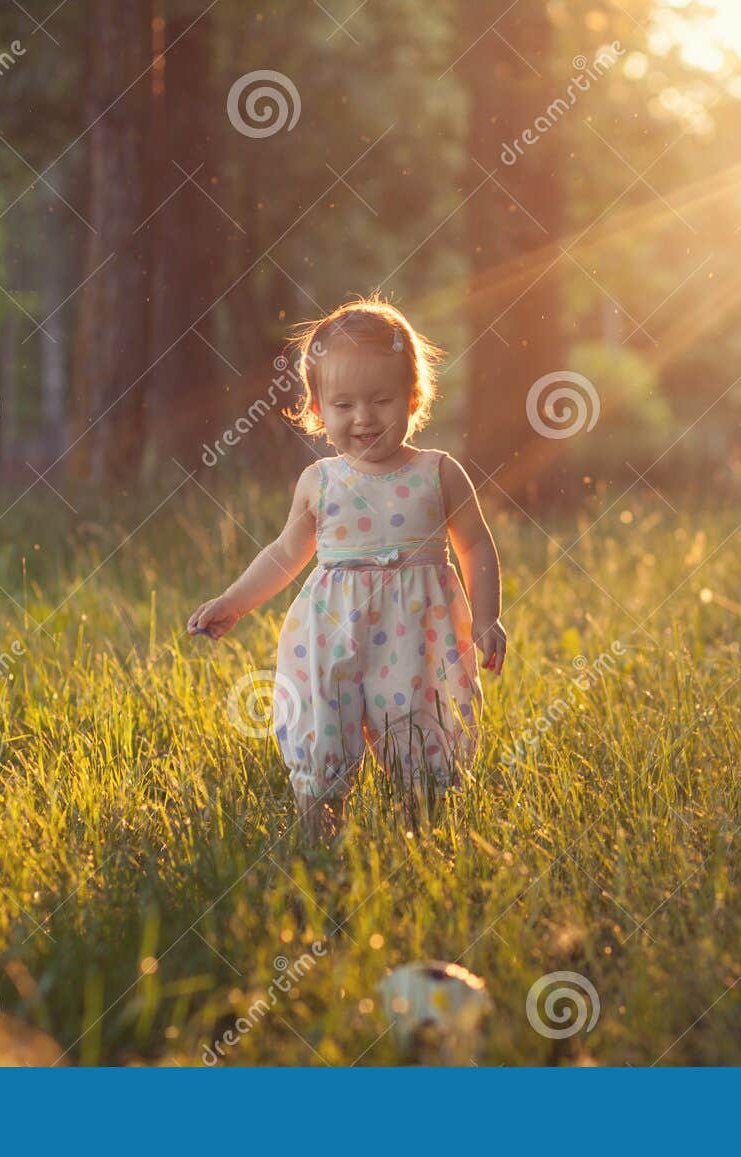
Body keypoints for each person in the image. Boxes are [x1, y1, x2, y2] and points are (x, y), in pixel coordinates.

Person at [187, 296, 506, 840]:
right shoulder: (321, 481)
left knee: (417, 729)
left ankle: (421, 836)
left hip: (418, 636)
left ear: (413, 398)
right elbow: (286, 553)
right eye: (343, 404)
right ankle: (319, 840)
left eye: (382, 399)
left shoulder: (439, 473)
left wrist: (485, 618)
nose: (364, 417)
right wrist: (233, 602)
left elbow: (476, 546)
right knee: (324, 728)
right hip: (331, 636)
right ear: (316, 410)